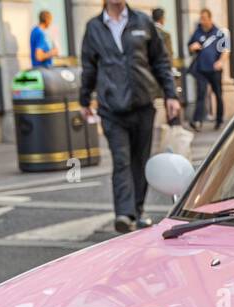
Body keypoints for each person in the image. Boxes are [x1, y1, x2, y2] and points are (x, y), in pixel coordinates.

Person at [79, 1, 181, 232]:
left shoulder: (142, 22)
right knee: (121, 159)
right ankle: (124, 214)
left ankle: (137, 209)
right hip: (111, 107)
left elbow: (160, 61)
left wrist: (170, 95)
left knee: (140, 159)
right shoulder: (94, 27)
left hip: (142, 103)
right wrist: (84, 100)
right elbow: (88, 67)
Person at [188, 8, 229, 130]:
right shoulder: (197, 32)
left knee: (218, 94)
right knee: (201, 94)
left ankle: (219, 120)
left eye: (204, 18)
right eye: (201, 18)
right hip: (201, 69)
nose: (202, 21)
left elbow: (225, 50)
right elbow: (190, 46)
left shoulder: (219, 33)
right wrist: (192, 47)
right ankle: (197, 121)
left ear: (210, 19)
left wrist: (221, 62)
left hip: (214, 69)